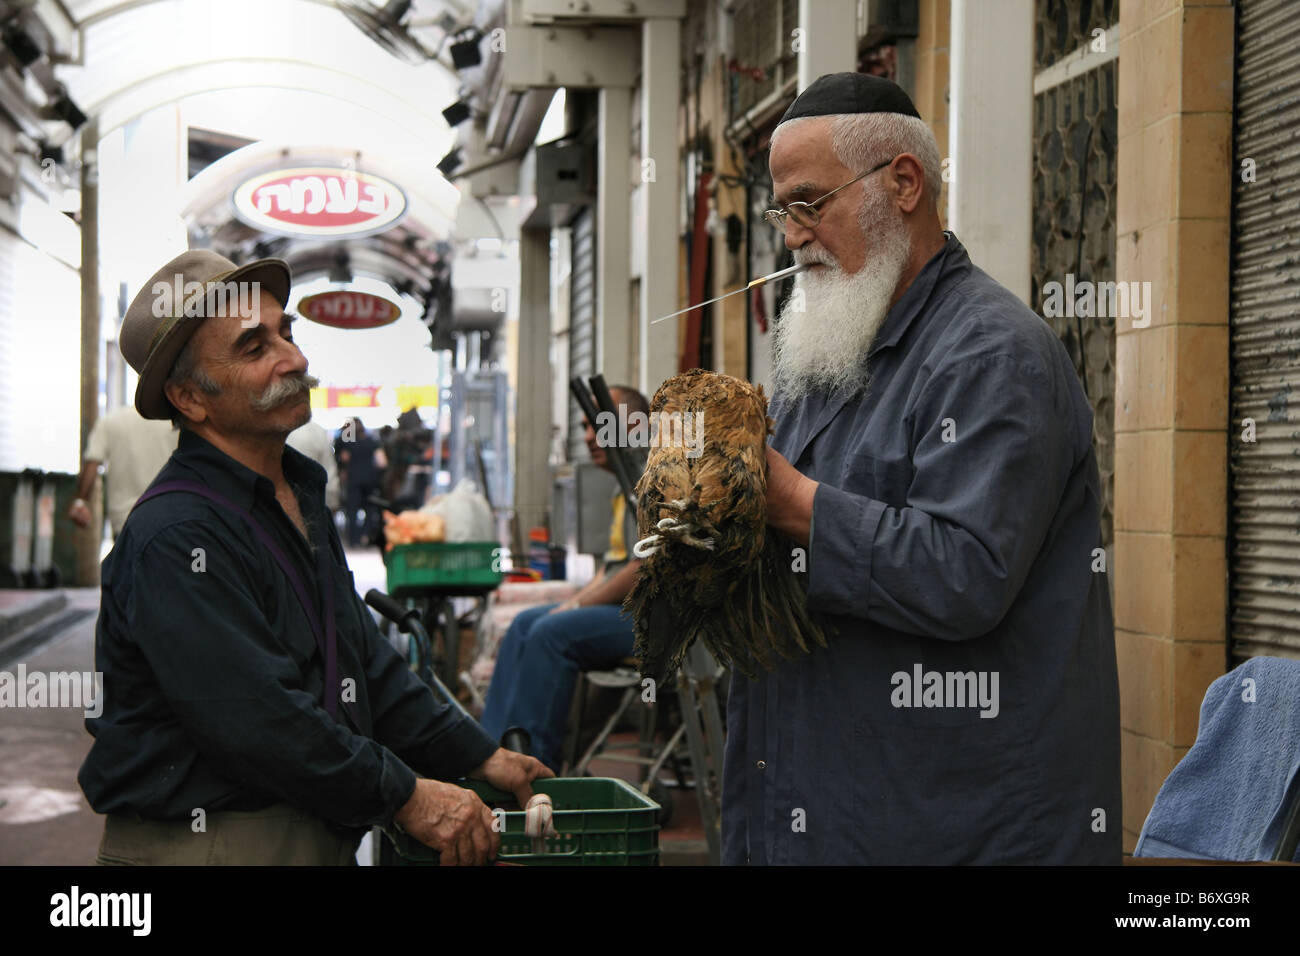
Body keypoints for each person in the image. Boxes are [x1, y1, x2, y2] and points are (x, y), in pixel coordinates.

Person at [730, 72, 1121, 864]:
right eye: (783, 213)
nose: (793, 236)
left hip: (956, 826)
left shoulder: (993, 354)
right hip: (828, 810)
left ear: (902, 183)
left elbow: (966, 571)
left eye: (810, 204)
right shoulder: (826, 355)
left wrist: (789, 499)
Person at [78, 249, 550, 865]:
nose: (295, 358)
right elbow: (257, 719)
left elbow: (358, 659)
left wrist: (476, 753)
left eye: (287, 332)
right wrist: (407, 796)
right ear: (190, 398)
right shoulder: (177, 535)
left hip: (305, 832)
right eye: (254, 347)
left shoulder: (292, 496)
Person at [479, 386, 648, 773]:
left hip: (660, 619)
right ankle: (493, 756)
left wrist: (572, 609)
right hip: (626, 613)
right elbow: (612, 568)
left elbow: (641, 572)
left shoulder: (653, 482)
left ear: (635, 426)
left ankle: (534, 767)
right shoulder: (624, 490)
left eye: (599, 424)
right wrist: (570, 604)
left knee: (550, 633)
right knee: (525, 624)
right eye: (585, 426)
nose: (588, 436)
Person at [68, 405, 177, 538]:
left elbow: (92, 464)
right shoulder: (175, 423)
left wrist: (81, 501)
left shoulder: (111, 421)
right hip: (168, 520)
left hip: (125, 522)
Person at [339, 417, 384, 546]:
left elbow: (344, 459)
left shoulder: (348, 443)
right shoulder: (372, 442)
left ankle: (354, 539)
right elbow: (382, 462)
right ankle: (365, 536)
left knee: (352, 510)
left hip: (353, 479)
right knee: (370, 509)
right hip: (370, 479)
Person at [287, 419, 340, 512]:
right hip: (313, 506)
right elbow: (329, 477)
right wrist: (332, 503)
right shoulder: (316, 431)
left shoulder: (268, 430)